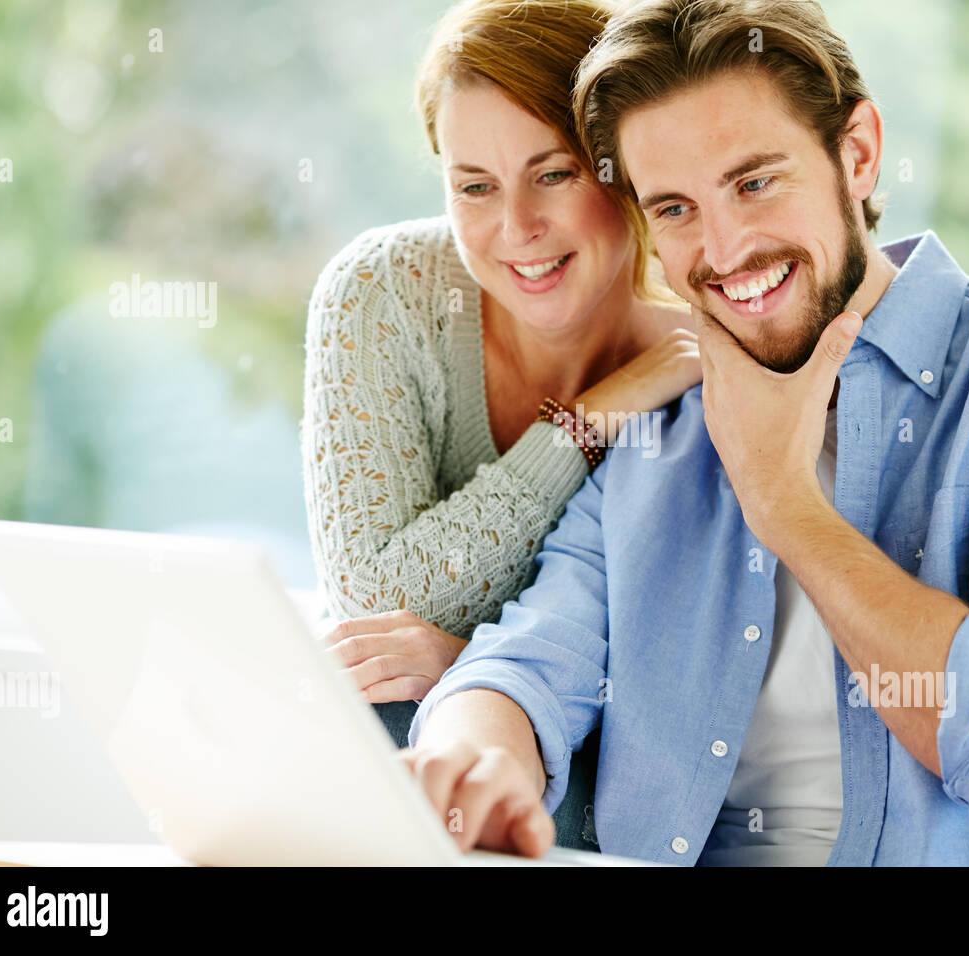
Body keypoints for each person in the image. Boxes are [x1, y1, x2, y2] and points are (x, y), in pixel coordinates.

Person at [401, 0, 969, 865]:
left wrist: (785, 504)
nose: (725, 246)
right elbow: (525, 662)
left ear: (856, 153)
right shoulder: (665, 441)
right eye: (674, 208)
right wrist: (467, 764)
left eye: (754, 182)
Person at [299, 0, 700, 851]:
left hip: (593, 786)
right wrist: (594, 416)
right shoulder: (383, 295)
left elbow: (675, 684)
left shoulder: (709, 351)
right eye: (473, 186)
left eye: (552, 173)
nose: (515, 228)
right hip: (426, 740)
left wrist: (482, 680)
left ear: (622, 165)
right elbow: (377, 603)